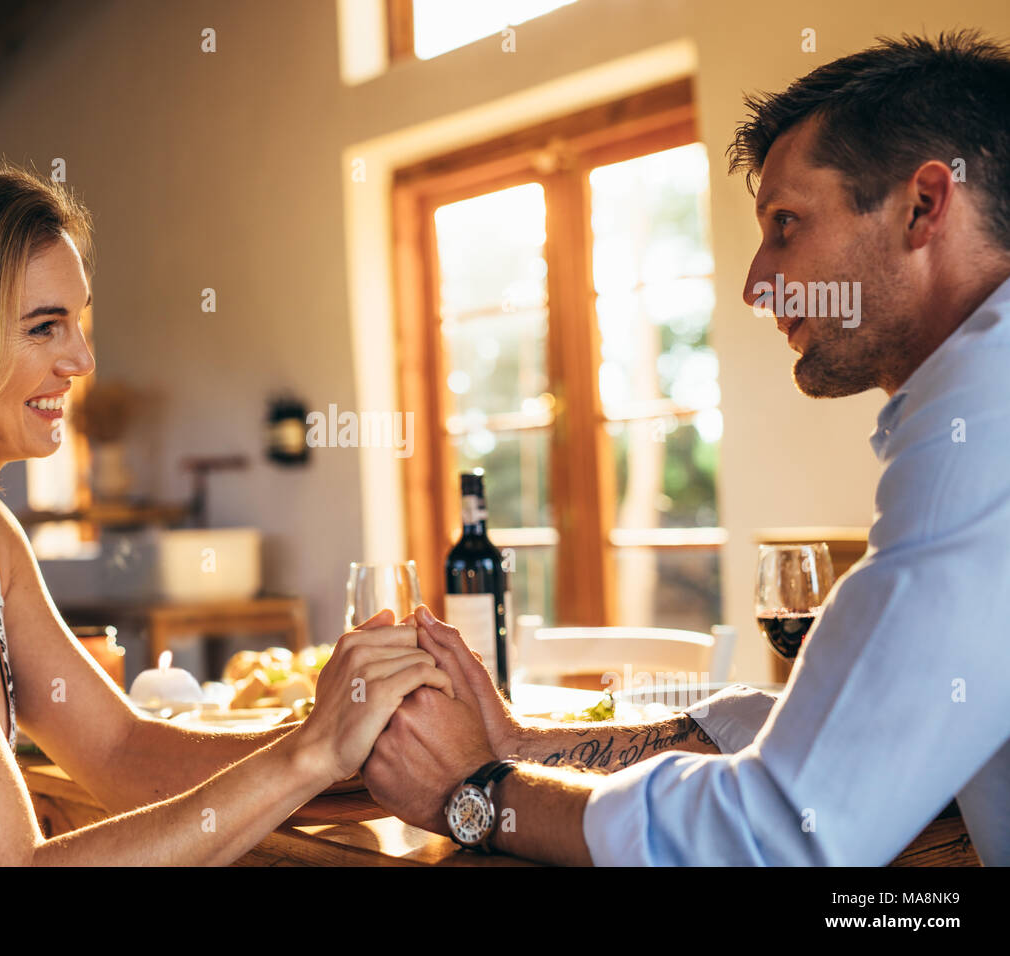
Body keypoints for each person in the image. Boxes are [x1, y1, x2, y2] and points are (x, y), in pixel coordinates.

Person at [363, 30, 1010, 866]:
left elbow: (780, 833)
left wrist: (474, 793)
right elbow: (833, 724)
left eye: (786, 224)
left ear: (925, 206)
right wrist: (531, 747)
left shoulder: (983, 426)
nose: (755, 282)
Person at [0, 159, 452, 866]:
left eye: (77, 323)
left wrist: (383, 757)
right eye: (43, 327)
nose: (81, 362)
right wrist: (310, 753)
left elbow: (124, 753)